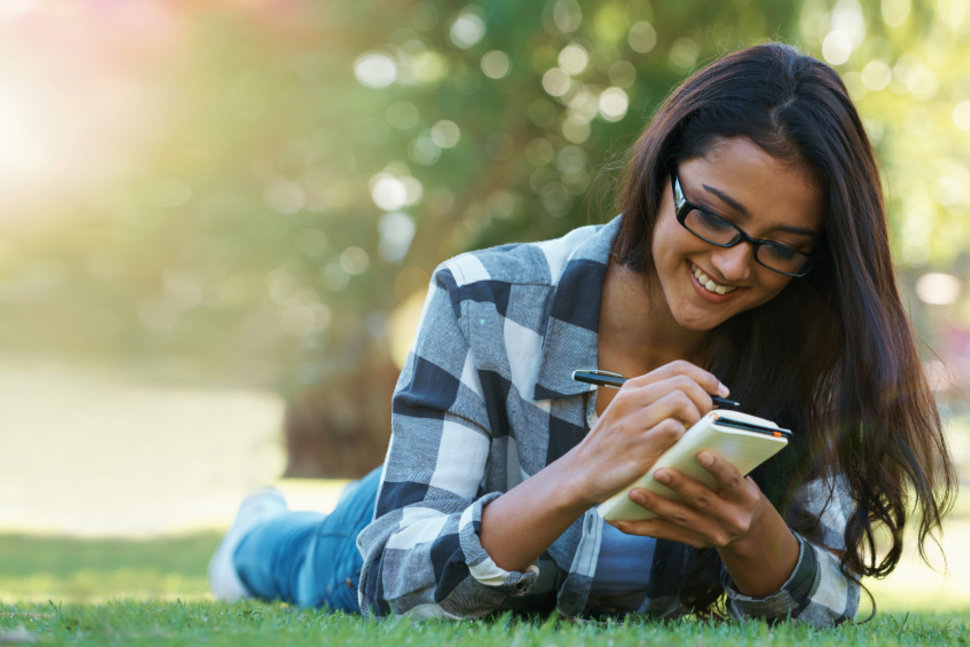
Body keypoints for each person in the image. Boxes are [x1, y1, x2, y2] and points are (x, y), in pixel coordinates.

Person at [209, 42, 955, 627]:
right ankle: (254, 531)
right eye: (715, 215)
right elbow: (395, 576)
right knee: (299, 559)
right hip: (411, 515)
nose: (733, 265)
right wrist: (581, 471)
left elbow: (833, 603)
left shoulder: (817, 348)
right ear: (662, 169)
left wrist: (754, 535)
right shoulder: (485, 297)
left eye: (782, 245)